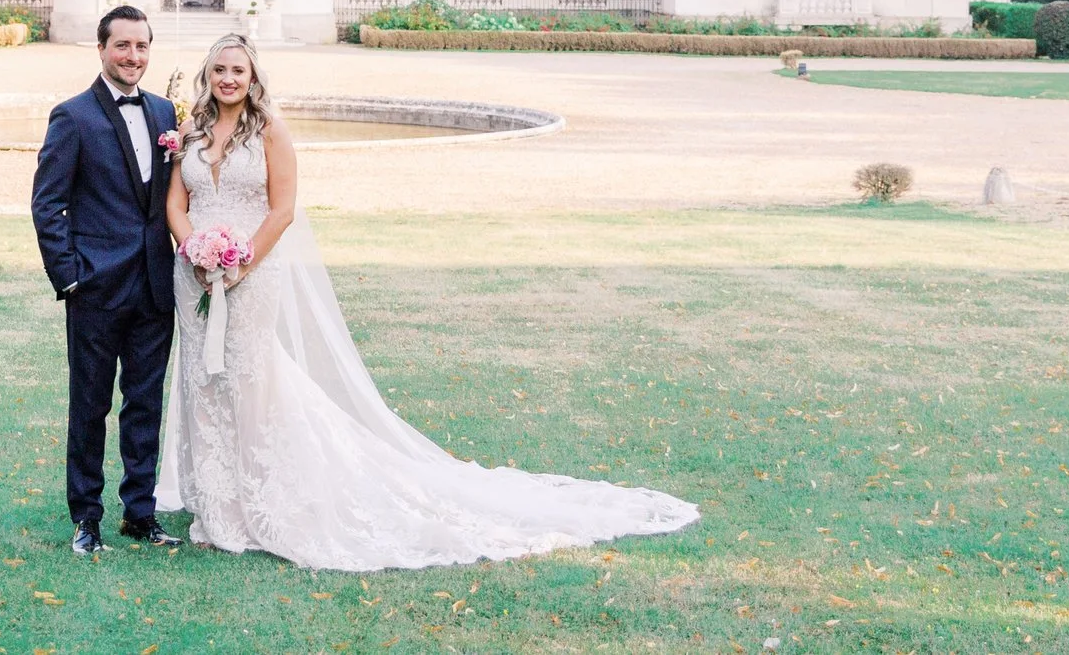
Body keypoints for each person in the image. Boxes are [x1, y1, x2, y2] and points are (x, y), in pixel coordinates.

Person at [157, 32, 698, 570]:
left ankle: (261, 500)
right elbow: (176, 203)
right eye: (220, 70)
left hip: (252, 271)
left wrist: (240, 261)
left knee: (250, 380)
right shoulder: (192, 132)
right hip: (196, 276)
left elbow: (283, 210)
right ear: (207, 75)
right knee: (203, 382)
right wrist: (195, 253)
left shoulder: (272, 131)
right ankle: (216, 509)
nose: (228, 79)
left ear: (253, 79)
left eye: (239, 71)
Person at [29, 5, 183, 556]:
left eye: (142, 47)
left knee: (146, 405)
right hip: (94, 290)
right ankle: (86, 518)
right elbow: (48, 206)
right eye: (123, 46)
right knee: (89, 406)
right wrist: (69, 279)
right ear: (101, 49)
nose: (133, 57)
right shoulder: (71, 116)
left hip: (153, 286)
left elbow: (173, 198)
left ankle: (140, 514)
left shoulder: (166, 111)